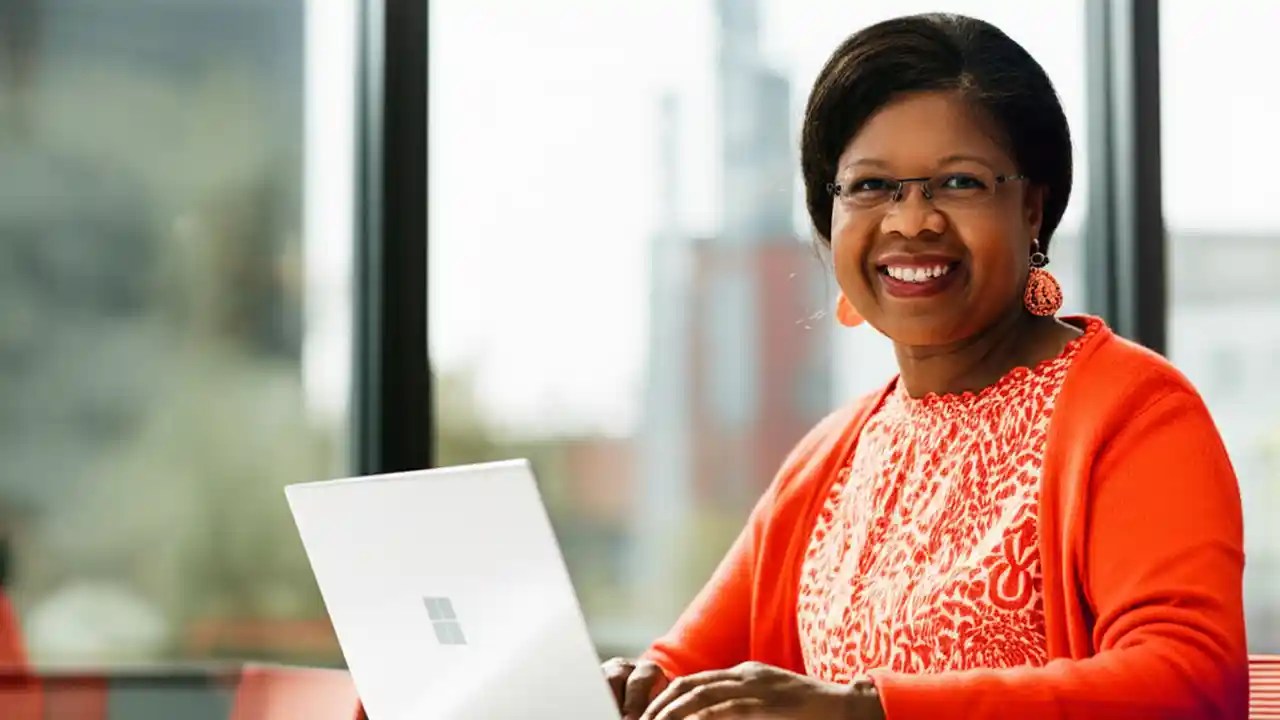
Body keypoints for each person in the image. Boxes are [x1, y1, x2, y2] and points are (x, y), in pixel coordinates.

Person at [603, 12, 1248, 720]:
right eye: (871, 187)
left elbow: (1191, 682)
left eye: (960, 183)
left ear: (1032, 207)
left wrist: (865, 710)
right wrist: (628, 690)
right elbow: (686, 671)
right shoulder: (831, 459)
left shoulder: (1133, 410)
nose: (911, 221)